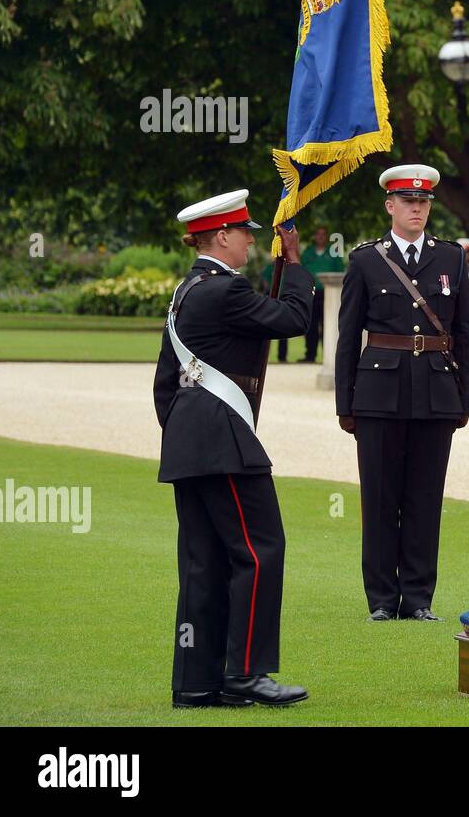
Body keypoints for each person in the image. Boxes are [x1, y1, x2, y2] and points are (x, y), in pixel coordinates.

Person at [153, 189, 313, 708]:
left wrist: (186, 435)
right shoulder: (224, 289)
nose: (250, 240)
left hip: (189, 442)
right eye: (245, 232)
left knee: (204, 561)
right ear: (221, 236)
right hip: (222, 442)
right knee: (260, 550)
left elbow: (165, 385)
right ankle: (247, 672)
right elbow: (293, 321)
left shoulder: (185, 291)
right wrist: (295, 263)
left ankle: (197, 682)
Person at [335, 164, 469, 623]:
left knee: (424, 498)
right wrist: (346, 403)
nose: (418, 209)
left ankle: (417, 597)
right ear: (390, 206)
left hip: (435, 391)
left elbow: (464, 333)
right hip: (378, 393)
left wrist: (464, 399)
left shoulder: (451, 259)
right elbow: (347, 336)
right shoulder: (365, 260)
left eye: (424, 202)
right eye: (409, 202)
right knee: (379, 497)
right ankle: (380, 598)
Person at [298, 225, 344, 363]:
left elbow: (340, 272)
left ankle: (329, 357)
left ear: (327, 236)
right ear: (314, 236)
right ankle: (310, 355)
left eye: (323, 234)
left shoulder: (333, 253)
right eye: (318, 234)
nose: (320, 237)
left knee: (329, 325)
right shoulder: (308, 252)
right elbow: (302, 272)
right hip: (311, 294)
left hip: (329, 294)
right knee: (311, 325)